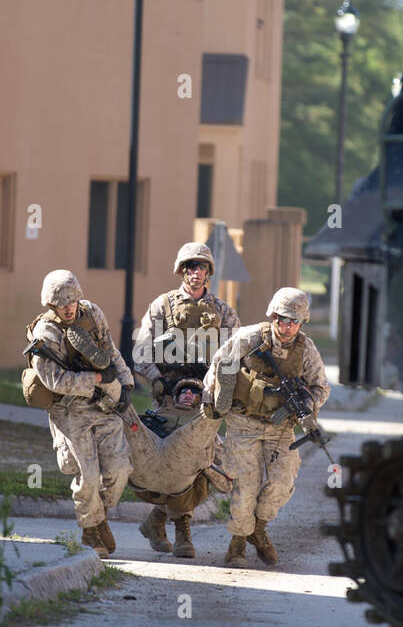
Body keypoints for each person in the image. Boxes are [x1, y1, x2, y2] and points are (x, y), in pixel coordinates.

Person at [203, 287, 328, 567]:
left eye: (295, 322)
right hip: (243, 421)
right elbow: (219, 364)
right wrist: (210, 400)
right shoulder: (249, 337)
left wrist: (308, 402)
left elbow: (321, 387)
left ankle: (258, 529)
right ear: (273, 316)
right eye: (283, 320)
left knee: (282, 483)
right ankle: (237, 543)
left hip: (281, 427)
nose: (288, 327)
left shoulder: (305, 349)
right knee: (246, 486)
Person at [132, 241, 239, 553]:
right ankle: (181, 531)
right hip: (167, 402)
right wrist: (155, 380)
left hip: (203, 407)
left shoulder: (223, 312)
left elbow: (235, 358)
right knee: (154, 467)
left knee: (213, 469)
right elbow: (141, 352)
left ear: (208, 273)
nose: (196, 273)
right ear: (182, 271)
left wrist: (216, 389)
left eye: (202, 267)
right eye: (191, 267)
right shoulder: (161, 307)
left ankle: (157, 521)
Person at [25, 270, 133, 558]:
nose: (69, 307)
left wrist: (125, 383)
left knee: (119, 469)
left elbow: (111, 351)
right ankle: (90, 528)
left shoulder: (93, 315)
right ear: (51, 305)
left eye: (72, 300)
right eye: (62, 304)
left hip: (101, 405)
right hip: (68, 410)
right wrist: (98, 380)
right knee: (87, 476)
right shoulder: (44, 334)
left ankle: (100, 514)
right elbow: (55, 381)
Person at [135, 377, 222, 559]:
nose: (188, 393)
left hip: (189, 477)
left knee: (188, 473)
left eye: (194, 392)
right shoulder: (159, 414)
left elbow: (219, 453)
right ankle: (179, 533)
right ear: (175, 397)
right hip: (153, 472)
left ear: (200, 399)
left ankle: (157, 522)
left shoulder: (203, 423)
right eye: (183, 391)